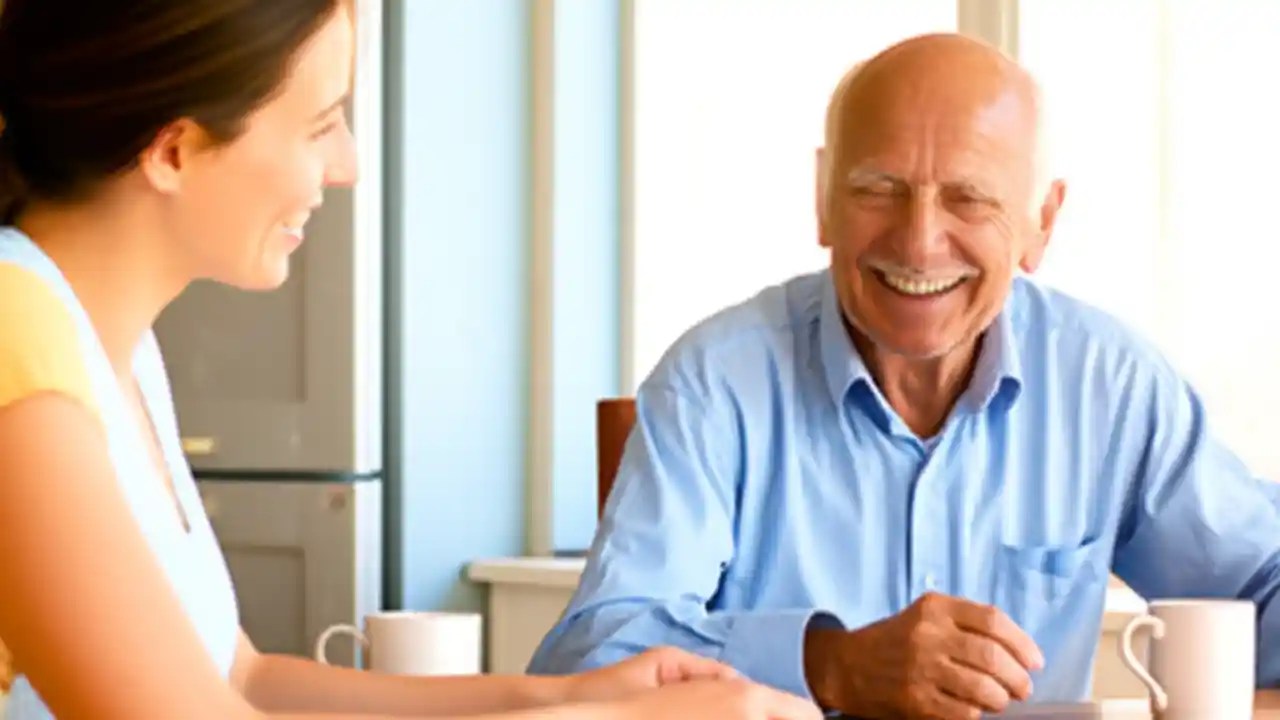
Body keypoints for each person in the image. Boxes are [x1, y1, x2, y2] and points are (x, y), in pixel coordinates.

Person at [0, 2, 824, 719]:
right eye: (321, 125)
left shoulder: (118, 348)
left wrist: (581, 694)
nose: (347, 165)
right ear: (173, 151)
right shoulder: (14, 331)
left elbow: (239, 678)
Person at [527, 31, 1280, 720]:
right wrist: (829, 665)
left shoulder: (1109, 386)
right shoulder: (714, 384)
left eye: (969, 197)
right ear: (824, 198)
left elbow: (1261, 587)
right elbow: (590, 664)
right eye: (878, 188)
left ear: (1040, 222)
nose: (920, 244)